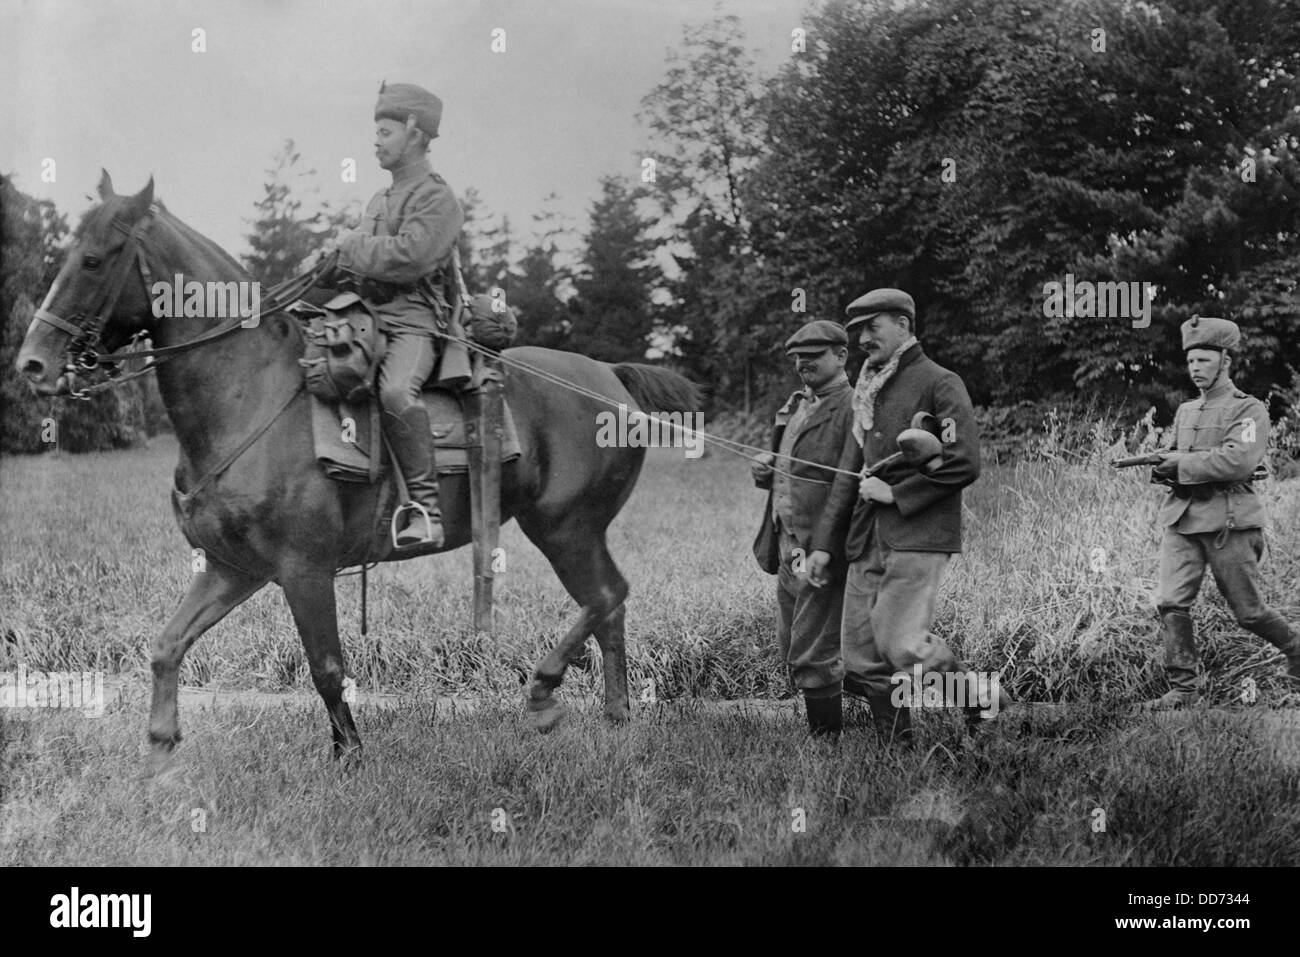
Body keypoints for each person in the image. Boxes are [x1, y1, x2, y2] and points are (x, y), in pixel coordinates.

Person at [820, 288, 986, 745]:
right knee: (860, 654)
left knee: (903, 646)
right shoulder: (869, 389)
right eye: (857, 333)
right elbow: (848, 472)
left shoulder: (940, 382)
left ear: (904, 326)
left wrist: (895, 493)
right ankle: (897, 744)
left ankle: (980, 702)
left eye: (873, 328)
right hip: (866, 537)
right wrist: (823, 545)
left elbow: (964, 461)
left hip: (918, 536)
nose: (863, 341)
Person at [1144, 315, 1300, 709]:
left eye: (1205, 361)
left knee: (1248, 613)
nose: (1196, 368)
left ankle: (1296, 648)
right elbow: (1180, 463)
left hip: (1229, 522)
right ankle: (1183, 690)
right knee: (1170, 602)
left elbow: (1237, 463)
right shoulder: (1185, 411)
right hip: (1182, 520)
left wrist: (1178, 464)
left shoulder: (1248, 410)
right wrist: (1164, 469)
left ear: (1225, 361)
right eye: (1192, 361)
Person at [334, 81, 465, 548]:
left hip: (414, 323)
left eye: (385, 130)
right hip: (366, 319)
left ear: (413, 131)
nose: (375, 140)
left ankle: (426, 512)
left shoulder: (438, 199)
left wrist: (351, 245)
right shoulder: (378, 200)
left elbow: (411, 257)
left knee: (394, 392)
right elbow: (356, 264)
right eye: (376, 130)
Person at [751, 320, 857, 737]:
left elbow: (850, 483)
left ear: (842, 356)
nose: (802, 364)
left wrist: (827, 546)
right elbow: (793, 468)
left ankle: (827, 742)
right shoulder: (797, 405)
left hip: (824, 545)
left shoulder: (853, 407)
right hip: (787, 541)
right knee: (794, 641)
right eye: (797, 357)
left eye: (812, 356)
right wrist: (765, 470)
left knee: (815, 645)